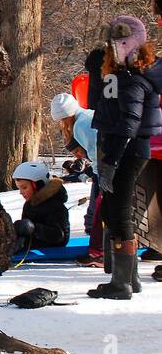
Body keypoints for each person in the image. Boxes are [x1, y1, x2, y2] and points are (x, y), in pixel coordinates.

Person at [87, 16, 162, 299]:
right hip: (126, 149)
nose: (111, 49)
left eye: (115, 44)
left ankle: (122, 284)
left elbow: (130, 121)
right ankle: (129, 279)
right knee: (114, 210)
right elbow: (99, 105)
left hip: (127, 151)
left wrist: (111, 160)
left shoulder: (132, 78)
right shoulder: (121, 76)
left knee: (118, 213)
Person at [52, 91, 103, 265]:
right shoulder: (88, 114)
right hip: (112, 167)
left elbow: (98, 154)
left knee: (101, 211)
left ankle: (100, 252)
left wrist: (97, 176)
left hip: (107, 170)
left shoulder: (81, 125)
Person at [10, 161, 70, 256]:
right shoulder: (29, 204)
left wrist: (34, 228)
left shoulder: (55, 205)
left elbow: (58, 236)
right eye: (19, 188)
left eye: (24, 187)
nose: (21, 192)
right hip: (34, 241)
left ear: (37, 185)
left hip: (53, 245)